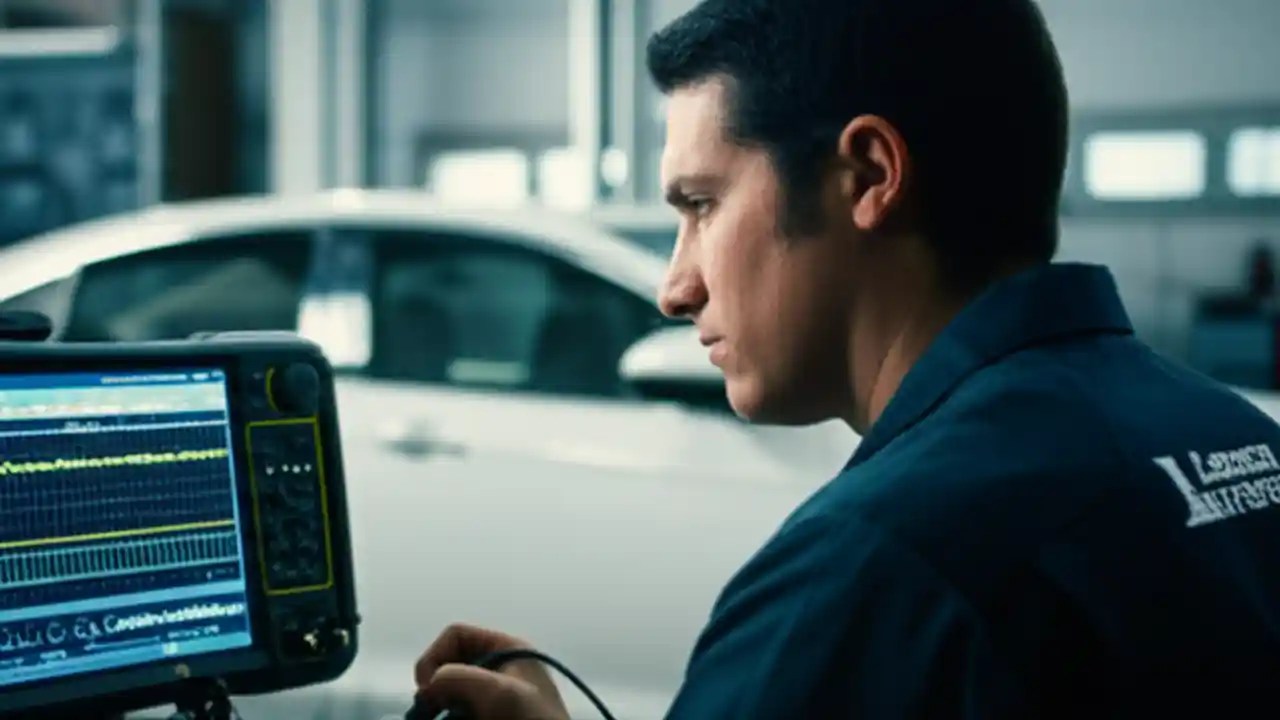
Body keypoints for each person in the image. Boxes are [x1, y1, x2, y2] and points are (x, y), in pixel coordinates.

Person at [413, 0, 1280, 717]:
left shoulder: (877, 572)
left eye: (702, 204)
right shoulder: (1242, 443)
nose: (675, 288)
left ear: (868, 175)